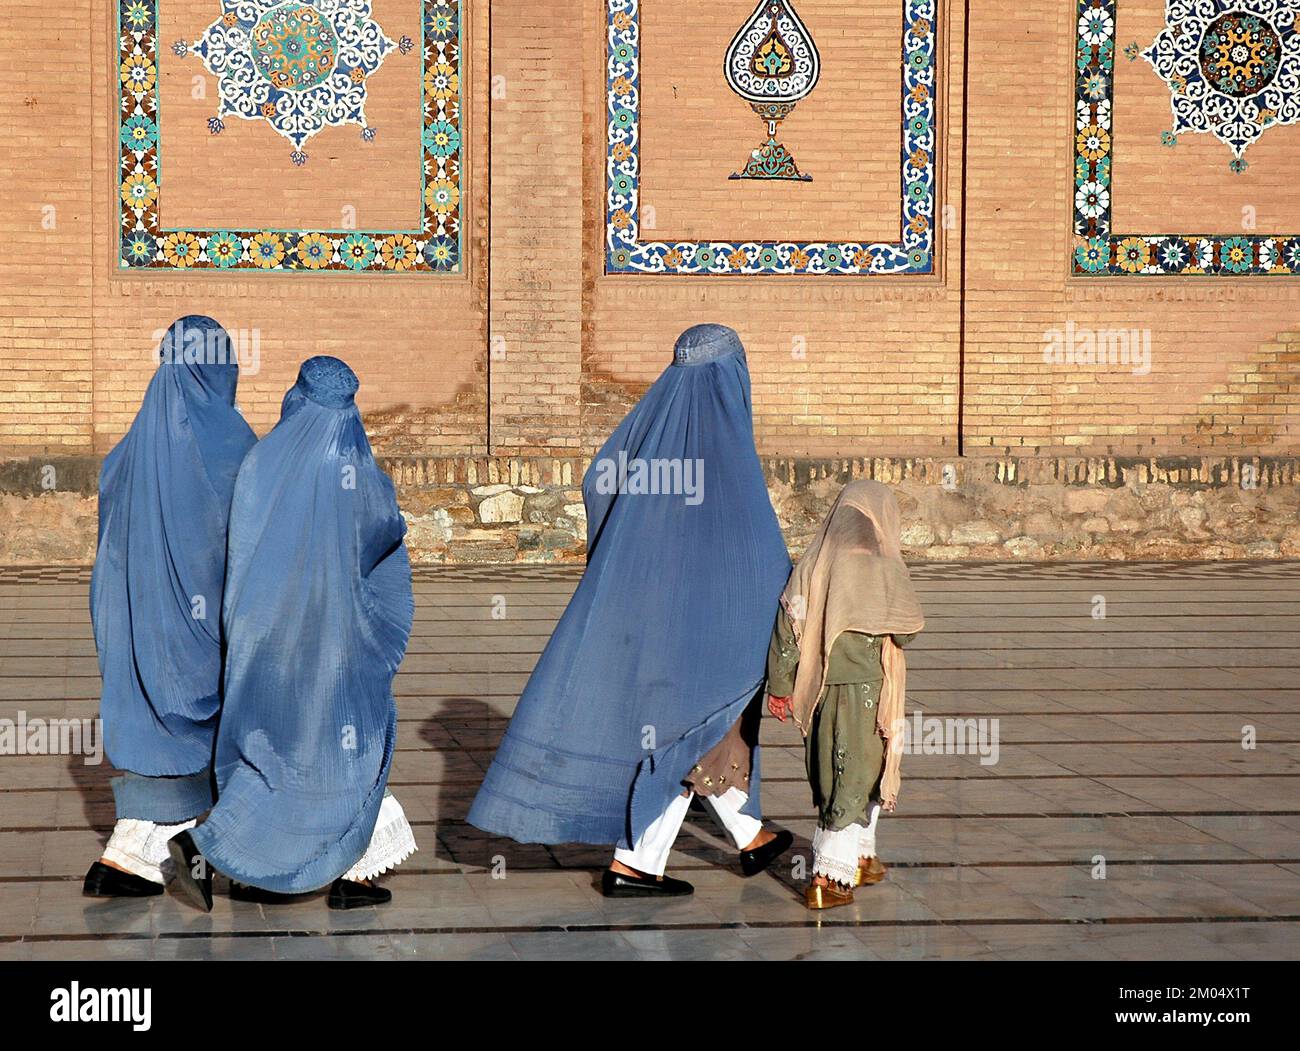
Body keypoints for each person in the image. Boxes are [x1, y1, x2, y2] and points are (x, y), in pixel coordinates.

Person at [468, 324, 793, 897]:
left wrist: (621, 563)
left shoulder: (649, 430)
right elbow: (755, 551)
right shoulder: (722, 445)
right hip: (705, 631)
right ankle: (640, 863)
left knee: (684, 730)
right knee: (689, 729)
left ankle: (744, 836)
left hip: (641, 619)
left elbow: (600, 480)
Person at [169, 356, 416, 912]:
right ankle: (209, 845)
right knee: (347, 752)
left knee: (271, 752)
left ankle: (337, 870)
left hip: (261, 641)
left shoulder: (261, 463)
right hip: (333, 647)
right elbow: (384, 547)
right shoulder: (360, 478)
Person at [84, 316, 256, 898]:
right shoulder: (236, 446)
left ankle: (131, 855)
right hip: (205, 635)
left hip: (136, 630)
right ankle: (231, 853)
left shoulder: (127, 452)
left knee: (157, 724)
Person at [766, 480, 925, 911]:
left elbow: (788, 630)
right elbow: (907, 632)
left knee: (837, 771)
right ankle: (827, 878)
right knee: (852, 778)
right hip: (868, 693)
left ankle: (861, 857)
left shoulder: (814, 562)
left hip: (817, 690)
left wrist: (780, 687)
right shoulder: (884, 566)